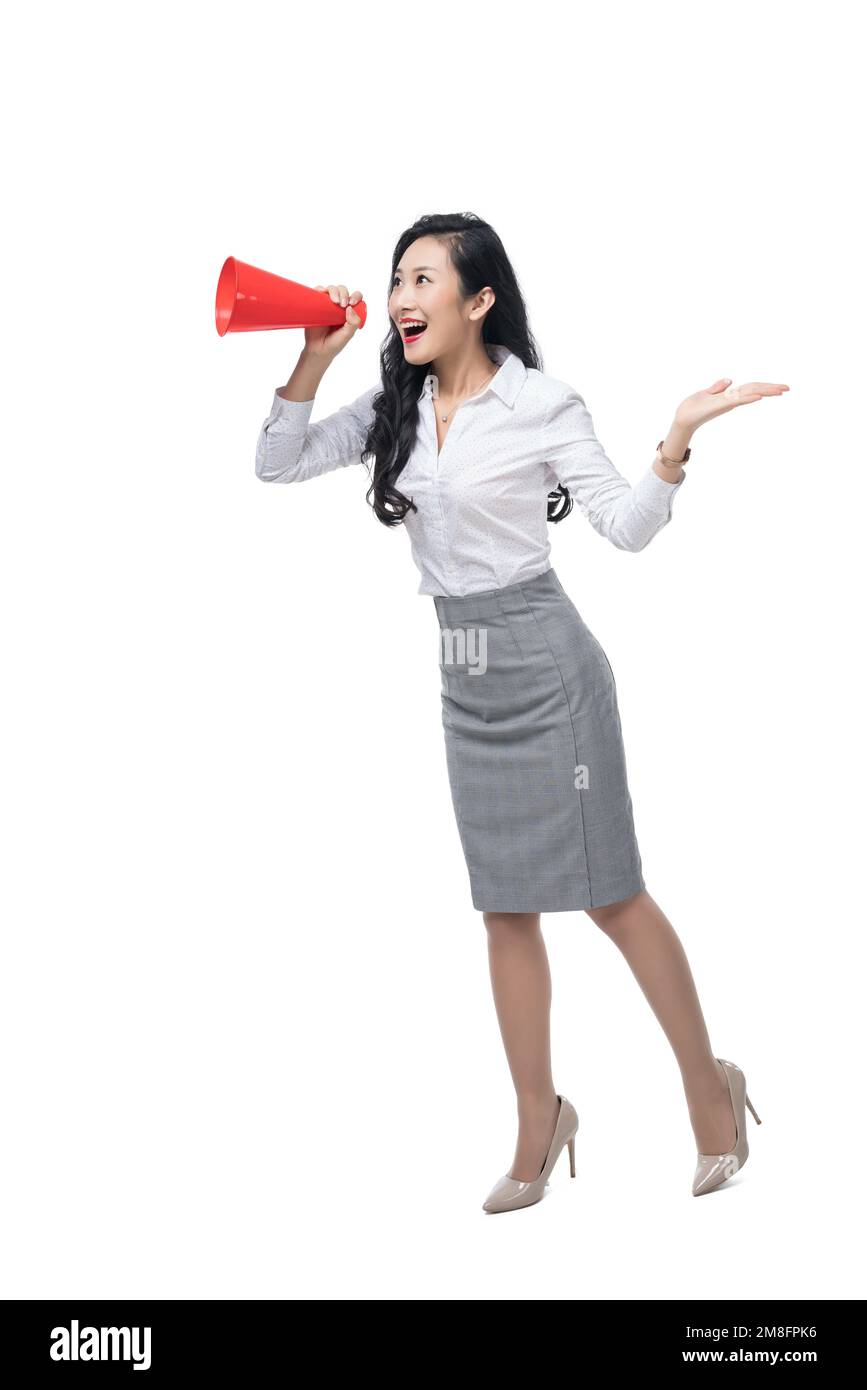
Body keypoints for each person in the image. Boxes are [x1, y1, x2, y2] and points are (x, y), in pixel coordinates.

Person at [254, 212, 786, 1212]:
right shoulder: (397, 405)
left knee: (610, 894)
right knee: (504, 906)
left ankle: (708, 1091)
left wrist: (673, 441)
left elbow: (624, 530)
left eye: (424, 279)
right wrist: (310, 361)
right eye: (397, 279)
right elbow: (276, 463)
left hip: (548, 663)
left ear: (479, 298)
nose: (404, 298)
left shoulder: (541, 403)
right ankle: (539, 1121)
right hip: (465, 666)